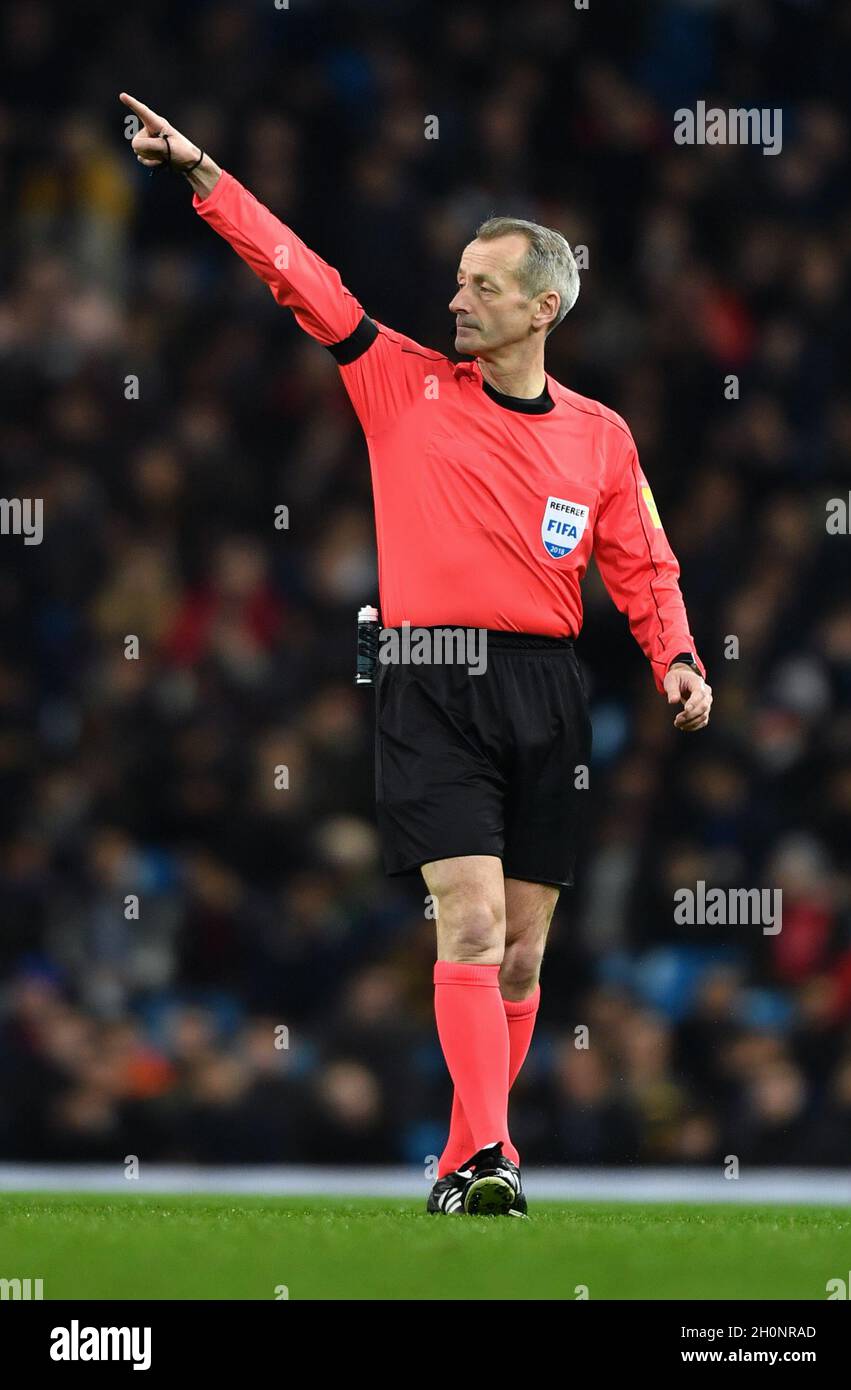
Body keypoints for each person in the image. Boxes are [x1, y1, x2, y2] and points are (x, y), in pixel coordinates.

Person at [120, 93, 712, 1216]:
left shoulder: (599, 435)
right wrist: (205, 175)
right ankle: (493, 1159)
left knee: (526, 959)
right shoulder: (400, 380)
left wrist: (676, 660)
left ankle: (458, 1162)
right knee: (472, 922)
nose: (455, 298)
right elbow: (300, 275)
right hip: (427, 675)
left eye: (481, 286)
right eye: (454, 279)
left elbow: (643, 563)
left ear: (542, 307)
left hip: (546, 688)